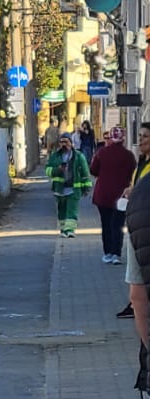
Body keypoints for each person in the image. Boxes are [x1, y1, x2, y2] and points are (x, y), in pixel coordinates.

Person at [117, 123, 150, 320]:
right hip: (137, 224)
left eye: (145, 136)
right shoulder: (142, 162)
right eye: (139, 135)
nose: (141, 140)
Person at [90, 127, 136, 263]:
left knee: (106, 224)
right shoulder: (128, 155)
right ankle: (116, 254)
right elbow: (133, 173)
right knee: (118, 224)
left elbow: (93, 170)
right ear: (123, 138)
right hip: (121, 196)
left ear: (110, 137)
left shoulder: (101, 153)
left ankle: (108, 253)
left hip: (103, 195)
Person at [46, 133, 91, 237]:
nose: (63, 144)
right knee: (61, 210)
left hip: (74, 189)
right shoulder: (55, 156)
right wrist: (57, 170)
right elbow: (47, 170)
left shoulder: (78, 156)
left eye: (66, 141)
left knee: (72, 210)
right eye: (61, 142)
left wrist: (86, 187)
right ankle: (63, 230)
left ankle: (70, 230)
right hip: (59, 188)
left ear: (71, 143)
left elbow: (85, 172)